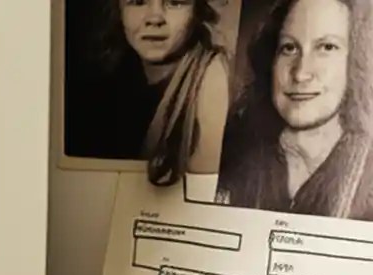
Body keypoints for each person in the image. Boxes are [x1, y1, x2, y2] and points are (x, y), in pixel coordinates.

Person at [216, 0, 373, 219]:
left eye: (326, 47)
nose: (300, 73)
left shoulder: (367, 174)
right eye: (289, 48)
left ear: (356, 61)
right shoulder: (231, 159)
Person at [68, 0, 230, 185]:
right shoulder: (101, 89)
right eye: (138, 2)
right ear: (118, 10)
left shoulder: (215, 77)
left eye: (175, 3)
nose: (154, 18)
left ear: (198, 11)